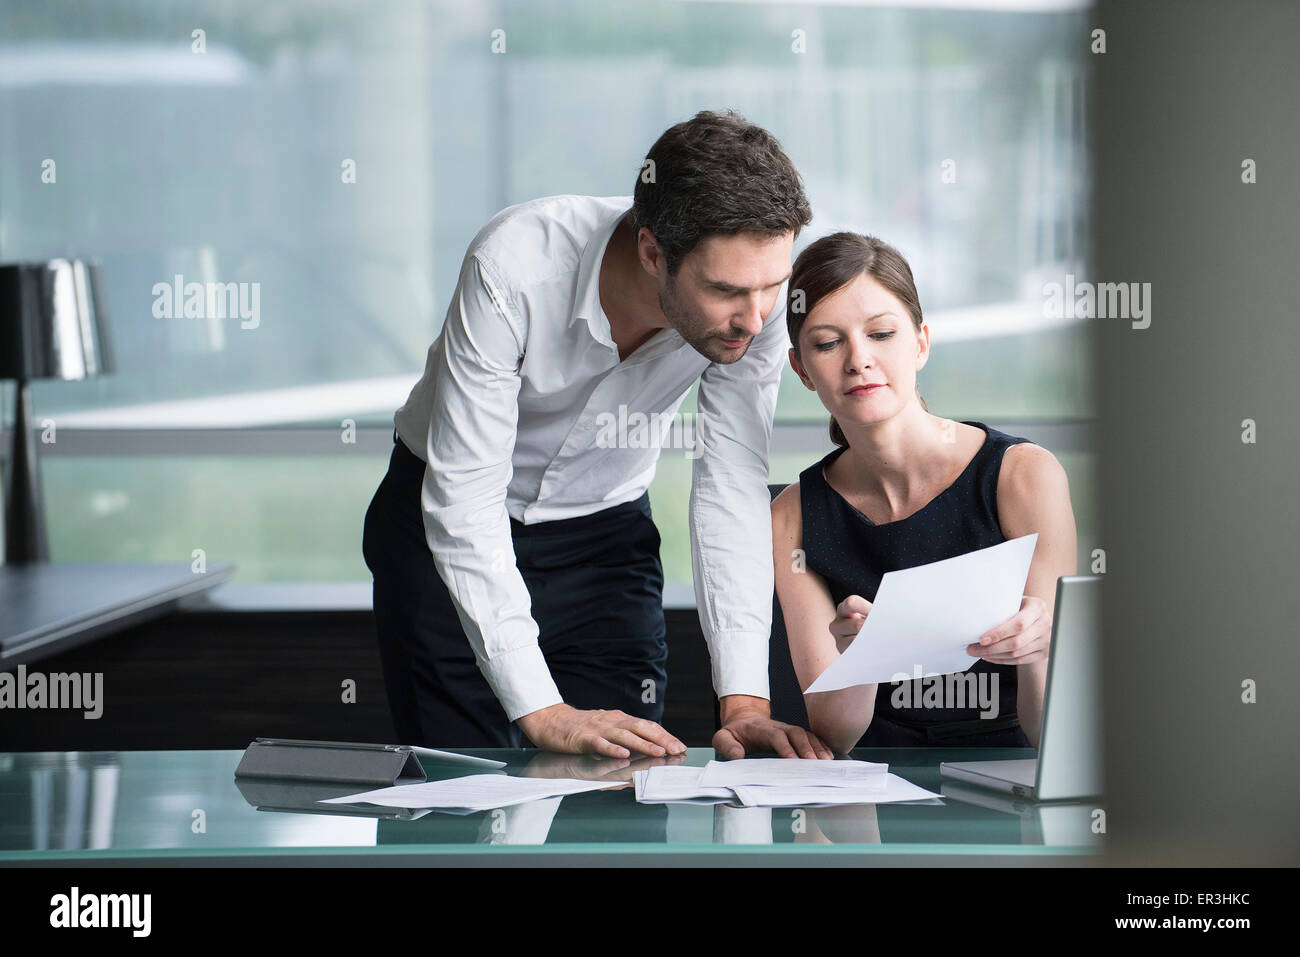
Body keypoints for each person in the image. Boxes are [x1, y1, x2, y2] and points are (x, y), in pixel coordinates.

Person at [363, 110, 833, 760]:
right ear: (651, 252)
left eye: (771, 286)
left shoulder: (758, 308)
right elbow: (465, 500)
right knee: (460, 797)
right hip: (443, 531)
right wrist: (541, 709)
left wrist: (745, 698)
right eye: (725, 289)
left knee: (625, 780)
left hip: (604, 541)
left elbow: (731, 483)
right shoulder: (512, 268)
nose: (754, 318)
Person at [772, 232, 1078, 752]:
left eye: (882, 334)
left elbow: (1052, 734)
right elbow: (833, 736)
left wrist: (1042, 649)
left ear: (921, 343)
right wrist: (864, 660)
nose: (858, 360)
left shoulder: (1023, 476)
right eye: (827, 343)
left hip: (1011, 771)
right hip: (874, 784)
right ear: (801, 369)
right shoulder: (791, 517)